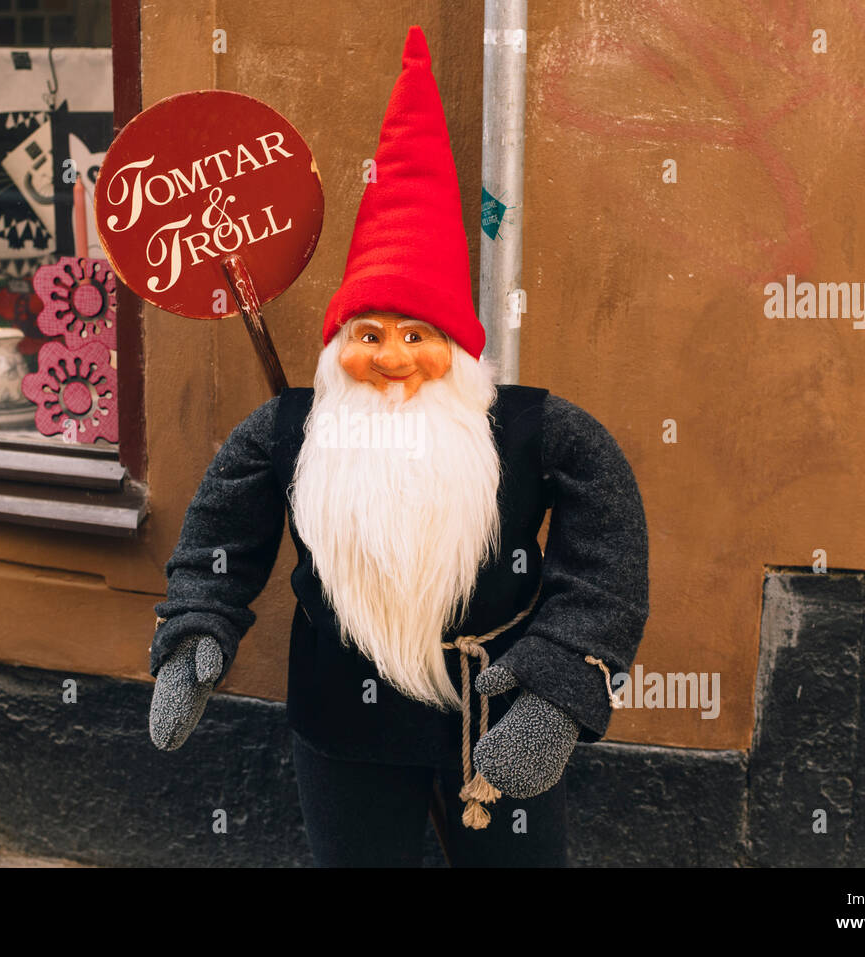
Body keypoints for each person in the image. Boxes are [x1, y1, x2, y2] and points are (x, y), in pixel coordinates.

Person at [147, 25, 648, 867]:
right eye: (368, 332)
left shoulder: (536, 430)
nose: (389, 357)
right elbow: (220, 535)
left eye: (417, 333)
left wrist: (560, 689)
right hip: (341, 720)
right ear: (337, 341)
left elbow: (606, 556)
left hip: (495, 716)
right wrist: (198, 629)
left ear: (458, 348)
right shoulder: (291, 430)